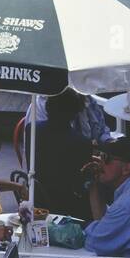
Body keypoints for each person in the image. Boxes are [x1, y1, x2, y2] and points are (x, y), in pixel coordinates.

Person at [33, 89, 96, 220]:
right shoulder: (81, 142)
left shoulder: (32, 129)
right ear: (74, 113)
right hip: (67, 203)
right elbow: (82, 181)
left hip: (37, 194)